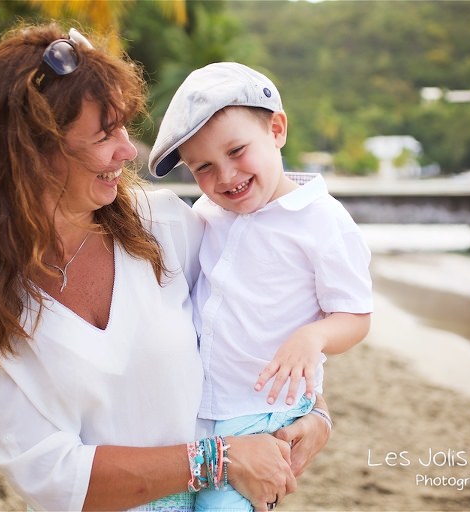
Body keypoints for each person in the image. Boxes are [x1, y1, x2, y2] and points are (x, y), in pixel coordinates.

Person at [0, 25, 333, 512]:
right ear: (30, 154)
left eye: (123, 126)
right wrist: (219, 460)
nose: (127, 149)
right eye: (104, 135)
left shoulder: (165, 225)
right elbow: (49, 474)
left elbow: (261, 318)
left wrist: (314, 414)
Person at [149, 62, 373, 511]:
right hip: (194, 410)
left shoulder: (323, 221)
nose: (226, 176)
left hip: (261, 411)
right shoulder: (208, 216)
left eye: (236, 150)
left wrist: (314, 336)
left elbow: (356, 316)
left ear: (277, 129)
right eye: (203, 167)